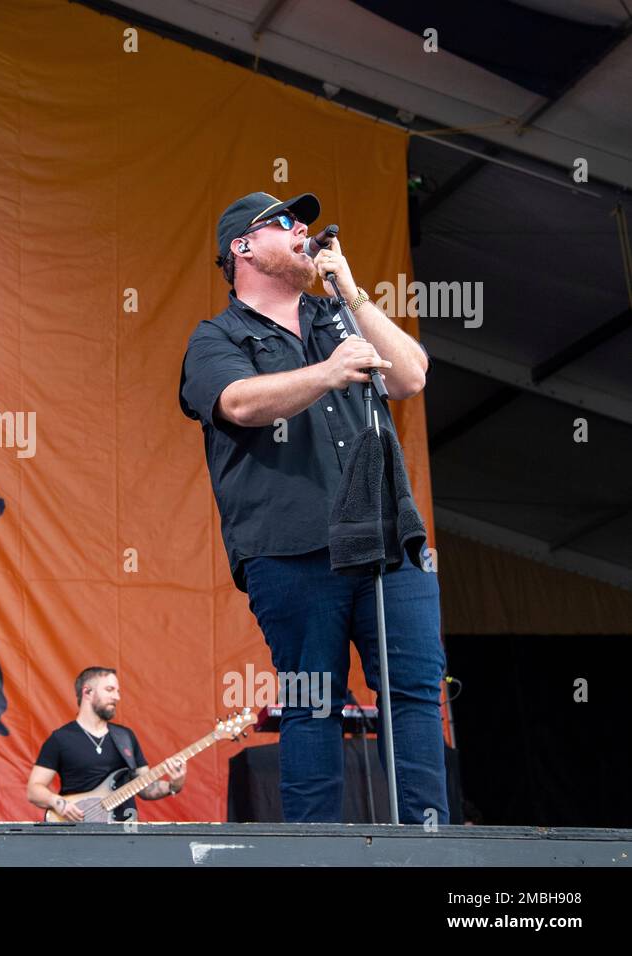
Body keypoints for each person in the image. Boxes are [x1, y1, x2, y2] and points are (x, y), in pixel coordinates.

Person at [179, 191, 447, 824]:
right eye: (286, 221)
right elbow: (238, 402)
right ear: (243, 247)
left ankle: (430, 846)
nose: (303, 229)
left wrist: (351, 292)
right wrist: (328, 372)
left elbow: (410, 376)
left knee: (413, 690)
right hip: (291, 546)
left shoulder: (338, 317)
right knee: (313, 698)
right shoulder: (217, 336)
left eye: (305, 220)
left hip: (387, 536)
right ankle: (315, 856)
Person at [26, 667, 184, 821]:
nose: (117, 697)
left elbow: (147, 789)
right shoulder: (61, 738)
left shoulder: (125, 737)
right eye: (110, 690)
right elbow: (34, 789)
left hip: (124, 830)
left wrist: (174, 785)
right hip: (79, 828)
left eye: (118, 691)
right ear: (87, 692)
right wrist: (58, 802)